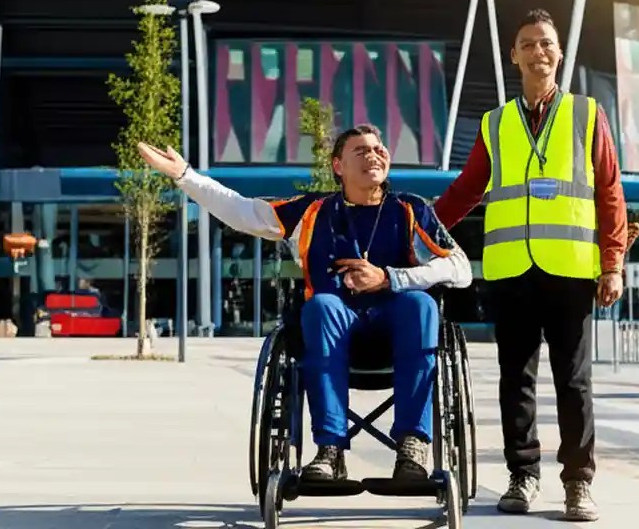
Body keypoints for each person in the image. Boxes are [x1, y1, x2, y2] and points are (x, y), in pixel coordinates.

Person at [137, 124, 472, 482]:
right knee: (321, 306)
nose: (373, 156)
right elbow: (242, 211)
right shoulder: (313, 211)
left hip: (396, 327)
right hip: (334, 325)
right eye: (361, 151)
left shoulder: (410, 209)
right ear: (338, 166)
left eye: (378, 149)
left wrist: (391, 278)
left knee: (420, 305)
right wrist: (186, 176)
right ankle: (330, 449)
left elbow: (460, 268)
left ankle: (412, 447)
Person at [433, 8, 627, 522]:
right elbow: (467, 188)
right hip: (512, 270)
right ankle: (523, 476)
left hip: (569, 269)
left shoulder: (586, 114)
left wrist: (613, 264)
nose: (538, 51)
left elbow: (609, 190)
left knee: (573, 381)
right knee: (514, 379)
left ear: (558, 53)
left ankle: (577, 483)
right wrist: (418, 228)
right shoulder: (495, 123)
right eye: (527, 43)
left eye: (546, 42)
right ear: (513, 55)